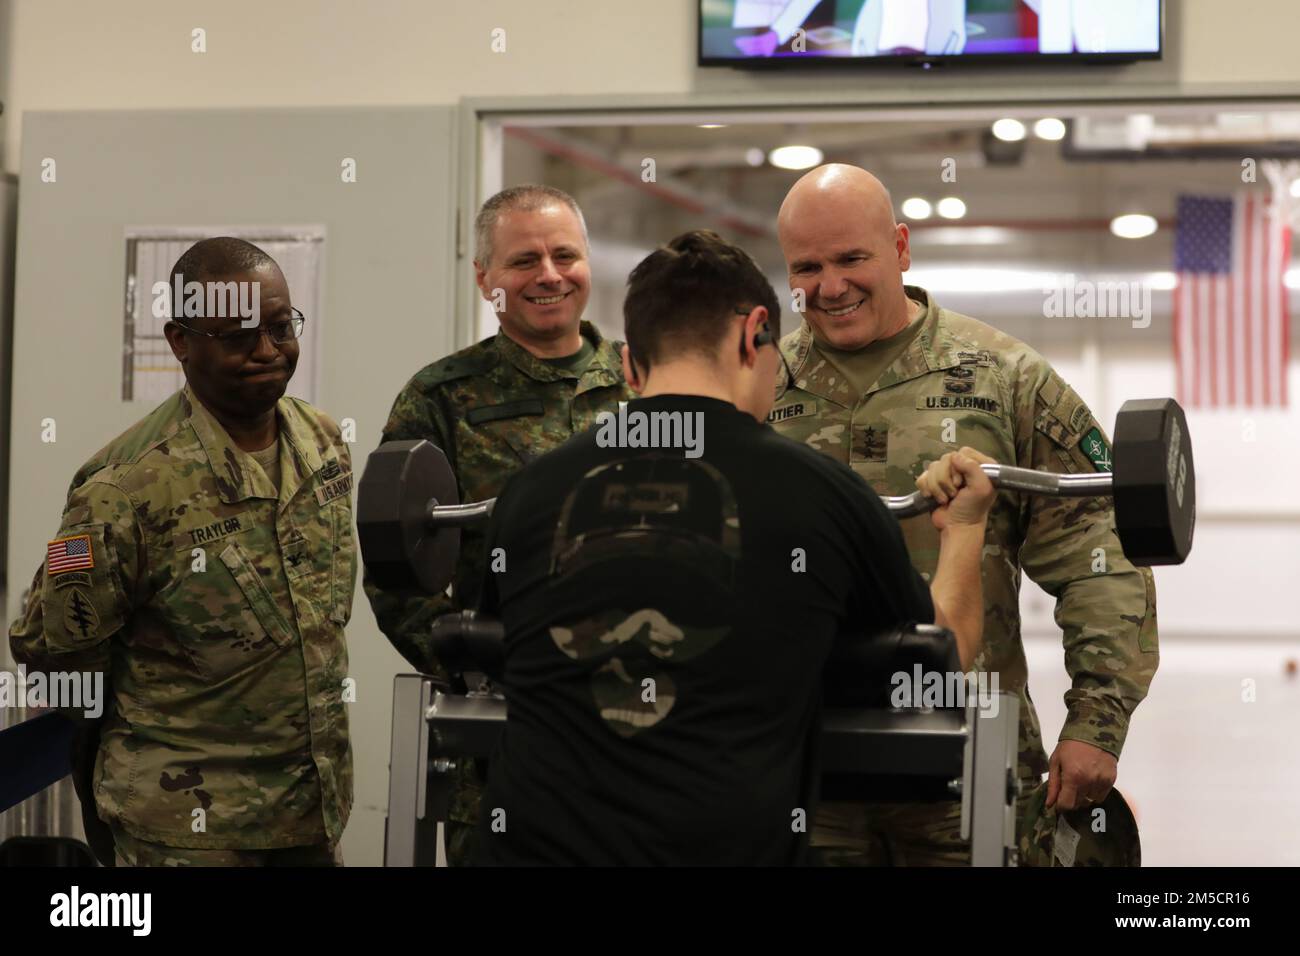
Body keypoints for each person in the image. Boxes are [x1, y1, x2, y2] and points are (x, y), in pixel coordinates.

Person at [473, 229, 995, 865]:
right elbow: (941, 663)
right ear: (755, 335)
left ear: (631, 363)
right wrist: (965, 528)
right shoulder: (825, 493)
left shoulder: (527, 494)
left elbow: (489, 654)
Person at [771, 163, 1157, 865]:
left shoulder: (1004, 377)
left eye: (852, 258)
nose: (829, 286)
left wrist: (1097, 723)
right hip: (801, 755)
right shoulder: (757, 387)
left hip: (972, 753)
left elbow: (1100, 551)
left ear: (900, 248)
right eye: (807, 267)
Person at [8, 237, 354, 866]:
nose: (268, 351)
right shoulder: (123, 487)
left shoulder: (323, 442)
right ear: (180, 341)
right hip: (185, 834)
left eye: (281, 328)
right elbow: (58, 652)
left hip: (311, 811)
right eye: (238, 335)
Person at [364, 184, 633, 864]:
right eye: (524, 260)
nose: (548, 275)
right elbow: (392, 572)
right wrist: (473, 669)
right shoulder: (440, 397)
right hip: (502, 743)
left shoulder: (648, 382)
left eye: (565, 255)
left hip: (642, 730)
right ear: (486, 277)